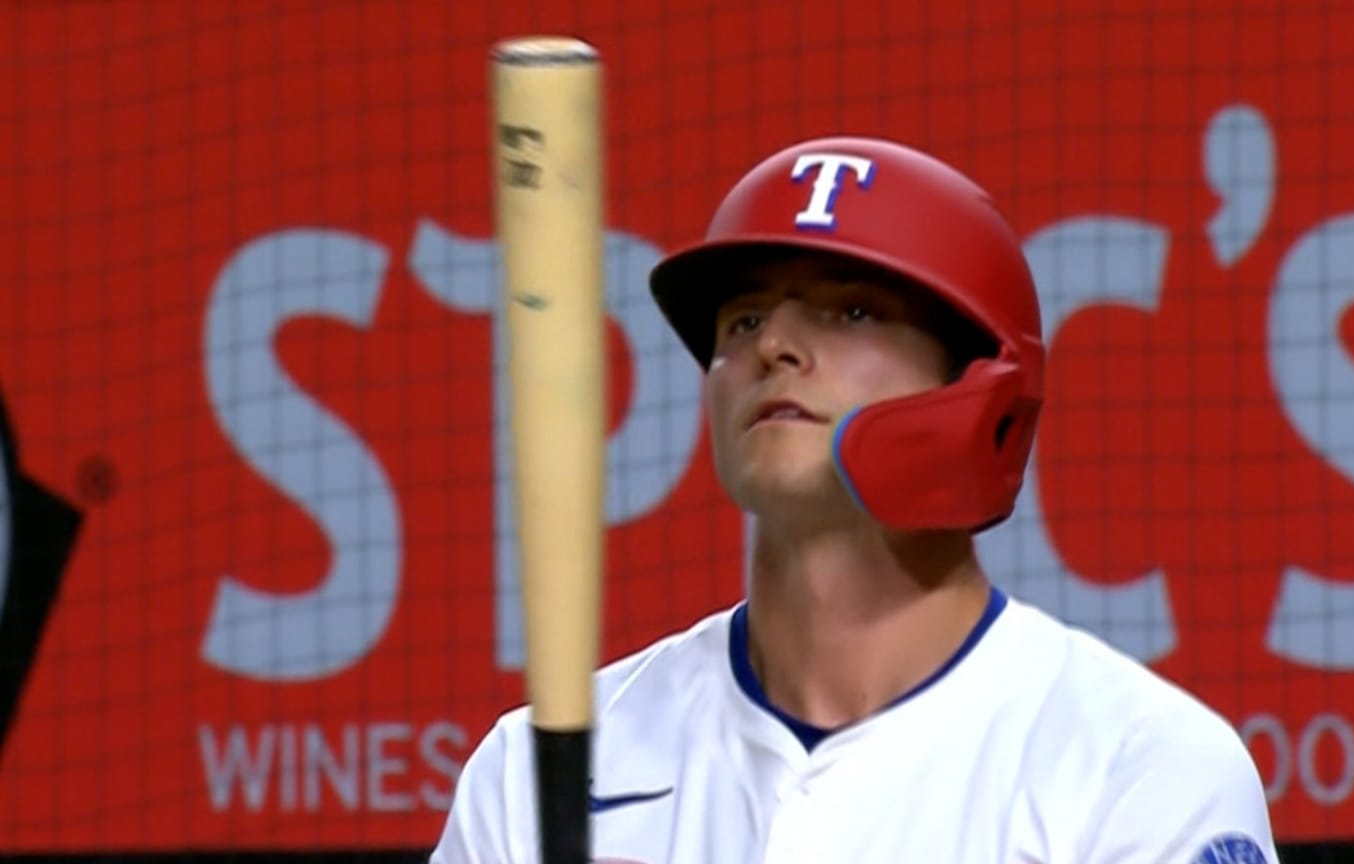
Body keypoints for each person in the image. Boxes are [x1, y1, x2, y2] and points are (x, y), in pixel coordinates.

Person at [430, 136, 1279, 864]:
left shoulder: (1137, 766)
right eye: (745, 320)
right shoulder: (539, 774)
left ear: (980, 388)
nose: (777, 346)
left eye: (854, 311)